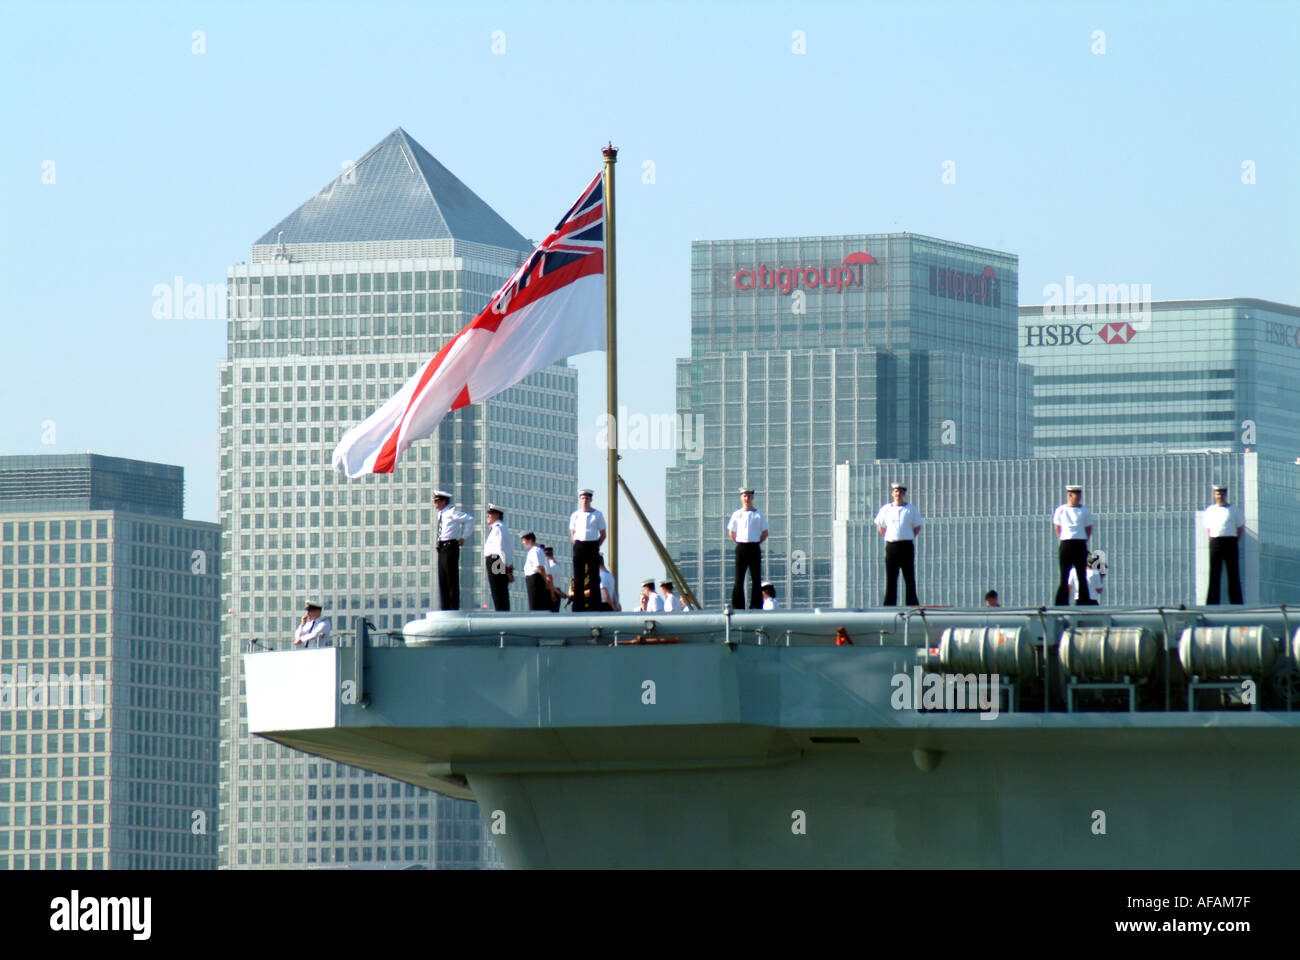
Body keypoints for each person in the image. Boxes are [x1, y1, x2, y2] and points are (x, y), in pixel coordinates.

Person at [874, 482, 922, 606]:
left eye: (900, 492)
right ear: (892, 493)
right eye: (896, 491)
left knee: (909, 576)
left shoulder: (911, 508)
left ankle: (912, 602)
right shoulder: (886, 509)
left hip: (906, 545)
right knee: (891, 576)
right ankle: (889, 603)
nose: (898, 494)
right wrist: (890, 536)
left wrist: (906, 536)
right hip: (892, 545)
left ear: (904, 494)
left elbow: (917, 527)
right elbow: (880, 526)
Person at [727, 486, 769, 610]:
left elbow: (765, 532)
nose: (747, 498)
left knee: (756, 578)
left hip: (754, 546)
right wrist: (740, 542)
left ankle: (756, 605)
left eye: (749, 496)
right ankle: (738, 605)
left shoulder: (758, 514)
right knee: (739, 578)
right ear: (741, 498)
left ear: (752, 497)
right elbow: (731, 532)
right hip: (741, 546)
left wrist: (756, 542)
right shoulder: (737, 514)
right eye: (744, 496)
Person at [1053, 484, 1095, 605]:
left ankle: (1083, 600)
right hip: (1066, 542)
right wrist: (1064, 537)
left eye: (1079, 494)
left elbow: (1088, 528)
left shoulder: (1085, 510)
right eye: (1076, 495)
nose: (1078, 497)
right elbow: (1057, 527)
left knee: (1081, 574)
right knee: (1064, 574)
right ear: (1070, 495)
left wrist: (1083, 539)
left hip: (1080, 543)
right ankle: (1061, 602)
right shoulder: (1061, 510)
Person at [1205, 484, 1245, 604]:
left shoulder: (1233, 509)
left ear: (1225, 495)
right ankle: (1212, 602)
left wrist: (1234, 540)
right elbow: (1207, 528)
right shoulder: (1210, 510)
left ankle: (1236, 602)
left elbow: (1240, 527)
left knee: (1233, 573)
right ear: (1214, 495)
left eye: (1222, 494)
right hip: (1216, 541)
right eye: (1218, 493)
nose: (1220, 496)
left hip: (1230, 541)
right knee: (1214, 573)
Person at [569, 488, 606, 612]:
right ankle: (578, 606)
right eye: (582, 498)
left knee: (594, 577)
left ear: (590, 499)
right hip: (580, 545)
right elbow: (572, 532)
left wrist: (596, 545)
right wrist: (577, 542)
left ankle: (595, 605)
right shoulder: (575, 515)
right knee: (578, 576)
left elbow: (603, 534)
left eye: (587, 498)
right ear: (580, 500)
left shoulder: (597, 514)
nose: (585, 500)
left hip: (592, 545)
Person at [482, 504, 513, 611]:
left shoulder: (498, 528)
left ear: (497, 515)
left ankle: (501, 611)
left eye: (490, 514)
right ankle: (501, 610)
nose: (488, 516)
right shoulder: (499, 528)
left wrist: (506, 568)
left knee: (498, 588)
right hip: (497, 560)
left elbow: (501, 548)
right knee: (498, 588)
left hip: (496, 560)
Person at [521, 532, 552, 612]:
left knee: (535, 605)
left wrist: (546, 581)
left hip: (535, 579)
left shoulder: (536, 550)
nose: (523, 543)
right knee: (534, 603)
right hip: (532, 578)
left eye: (524, 540)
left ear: (530, 540)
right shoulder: (533, 550)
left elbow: (540, 568)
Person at [543, 546, 563, 611]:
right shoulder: (555, 564)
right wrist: (559, 593)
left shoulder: (547, 564)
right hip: (555, 590)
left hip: (552, 590)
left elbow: (549, 580)